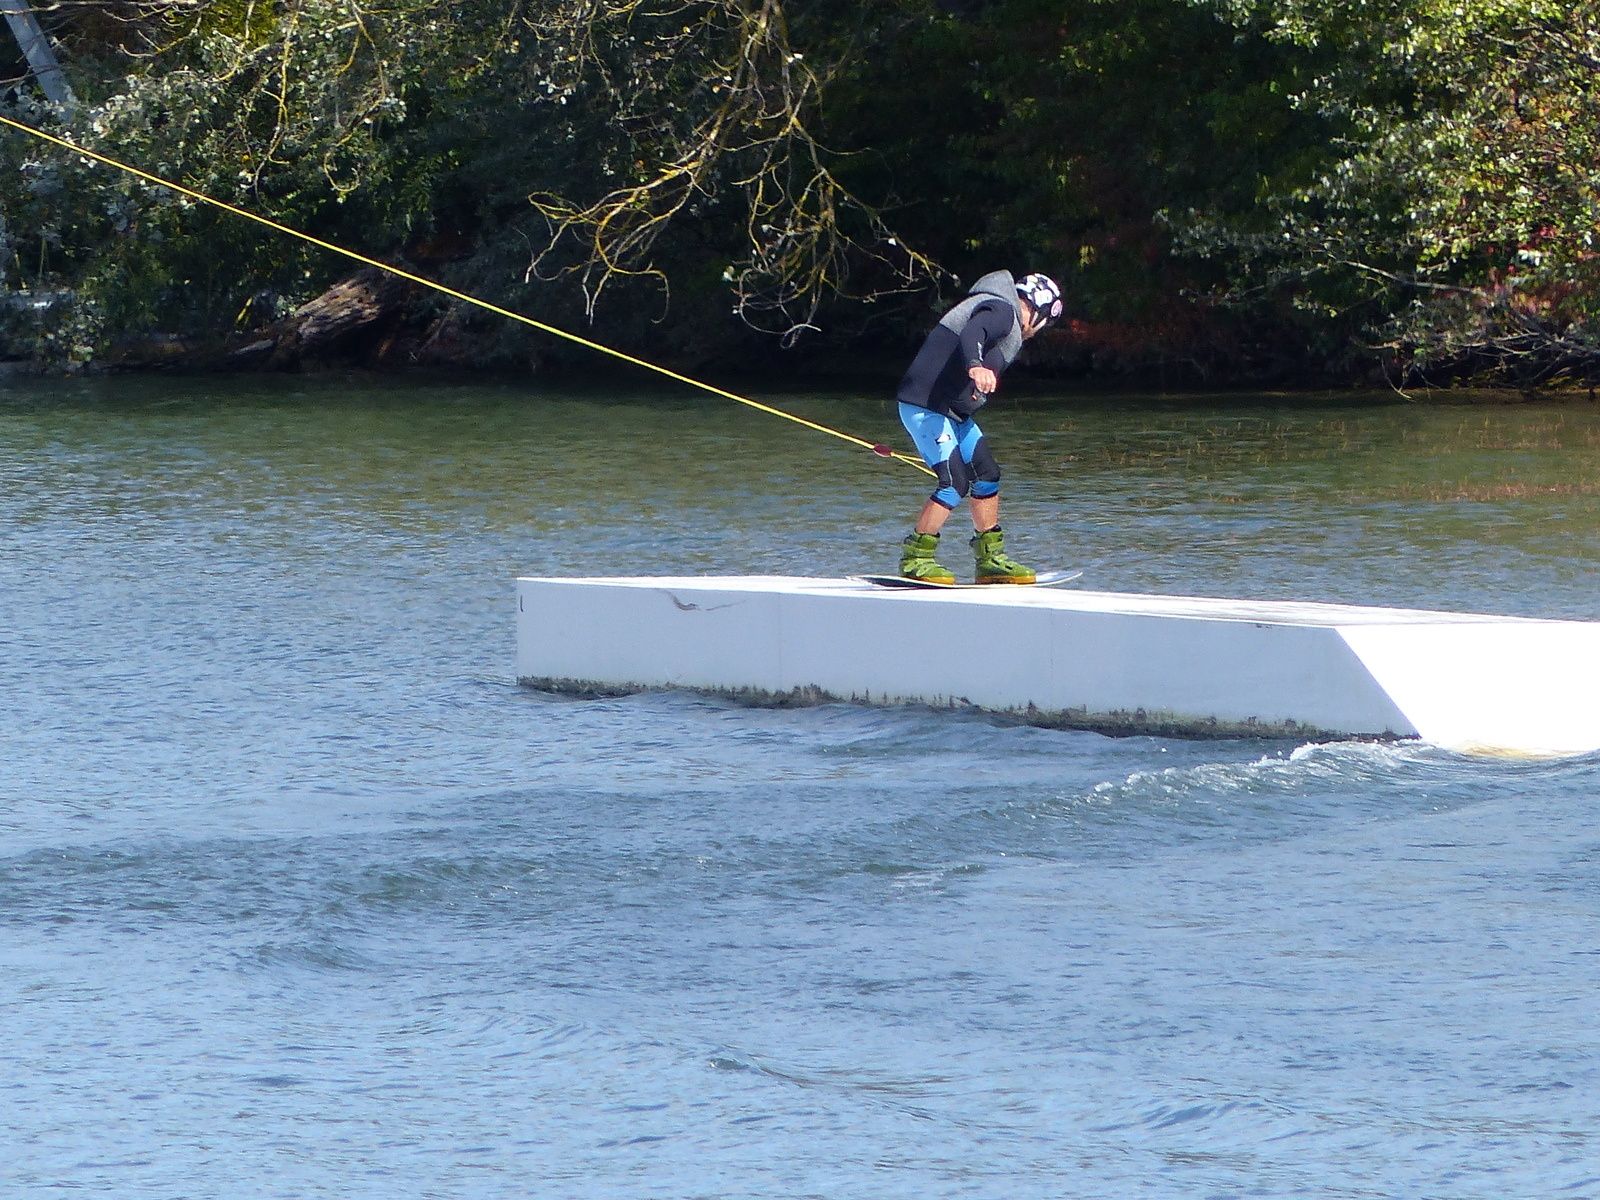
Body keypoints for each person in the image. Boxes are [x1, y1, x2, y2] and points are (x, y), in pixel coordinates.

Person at [894, 269, 1063, 584]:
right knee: (954, 482)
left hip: (951, 413)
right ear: (1038, 314)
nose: (1037, 332)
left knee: (987, 473)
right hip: (925, 407)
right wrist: (975, 366)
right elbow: (973, 332)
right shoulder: (1002, 309)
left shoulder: (1002, 316)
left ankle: (990, 559)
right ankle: (916, 558)